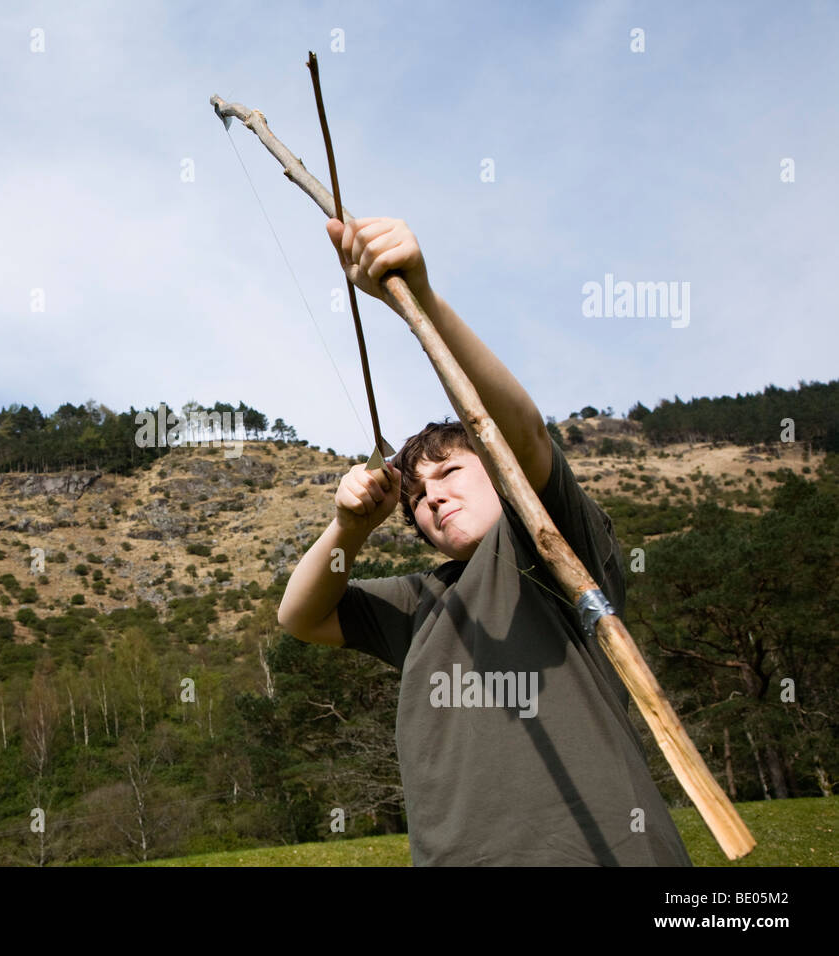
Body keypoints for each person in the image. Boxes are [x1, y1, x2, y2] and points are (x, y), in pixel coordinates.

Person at [276, 216, 692, 866]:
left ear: (499, 475)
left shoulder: (551, 546)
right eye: (415, 497)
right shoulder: (421, 603)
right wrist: (347, 530)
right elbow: (300, 615)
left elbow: (519, 431)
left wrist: (420, 303)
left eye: (448, 472)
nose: (431, 495)